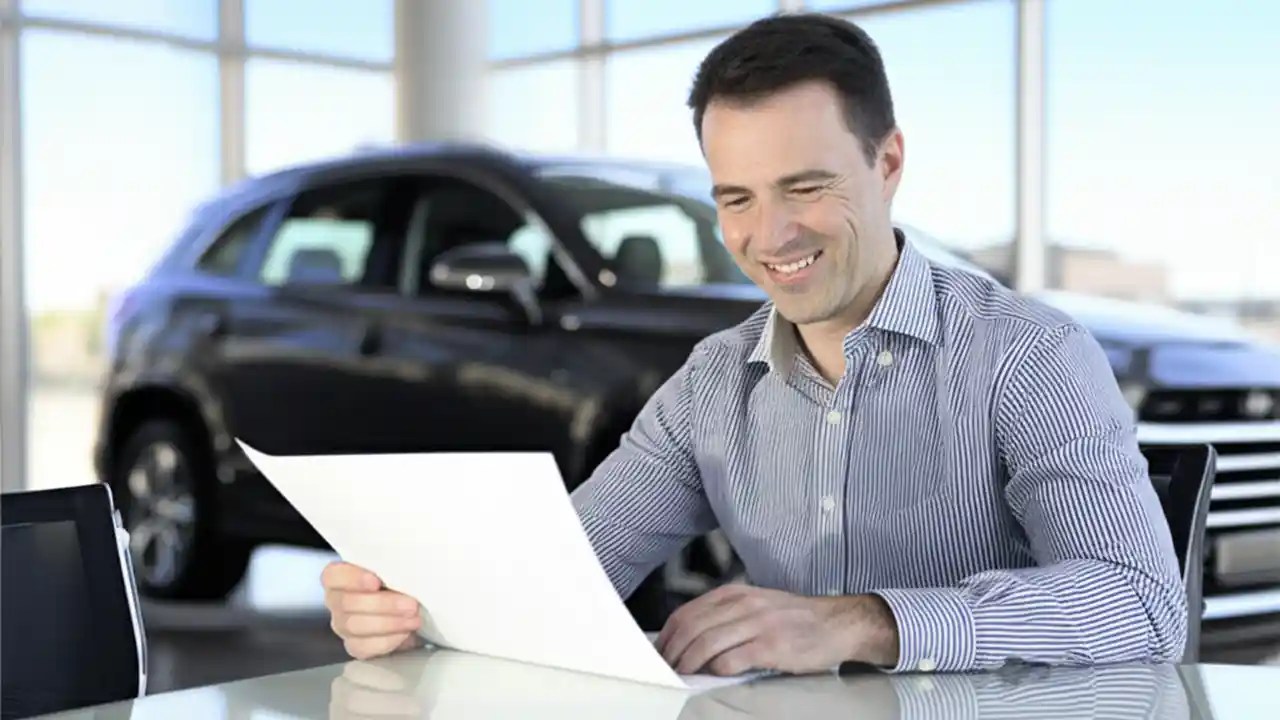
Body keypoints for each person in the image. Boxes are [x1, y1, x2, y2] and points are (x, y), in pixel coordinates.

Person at [321, 12, 1186, 675]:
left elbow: (1143, 604)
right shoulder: (712, 384)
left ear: (888, 163)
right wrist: (415, 610)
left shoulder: (1027, 356)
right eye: (736, 198)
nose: (769, 236)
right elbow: (566, 574)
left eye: (804, 187)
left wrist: (864, 622)